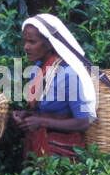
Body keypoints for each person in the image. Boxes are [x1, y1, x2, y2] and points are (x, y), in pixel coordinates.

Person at [10, 14, 98, 160]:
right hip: (42, 141)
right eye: (25, 41)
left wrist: (40, 122)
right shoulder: (36, 70)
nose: (26, 47)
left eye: (32, 42)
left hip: (64, 147)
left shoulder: (68, 74)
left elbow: (83, 123)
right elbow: (40, 109)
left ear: (49, 44)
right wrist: (26, 116)